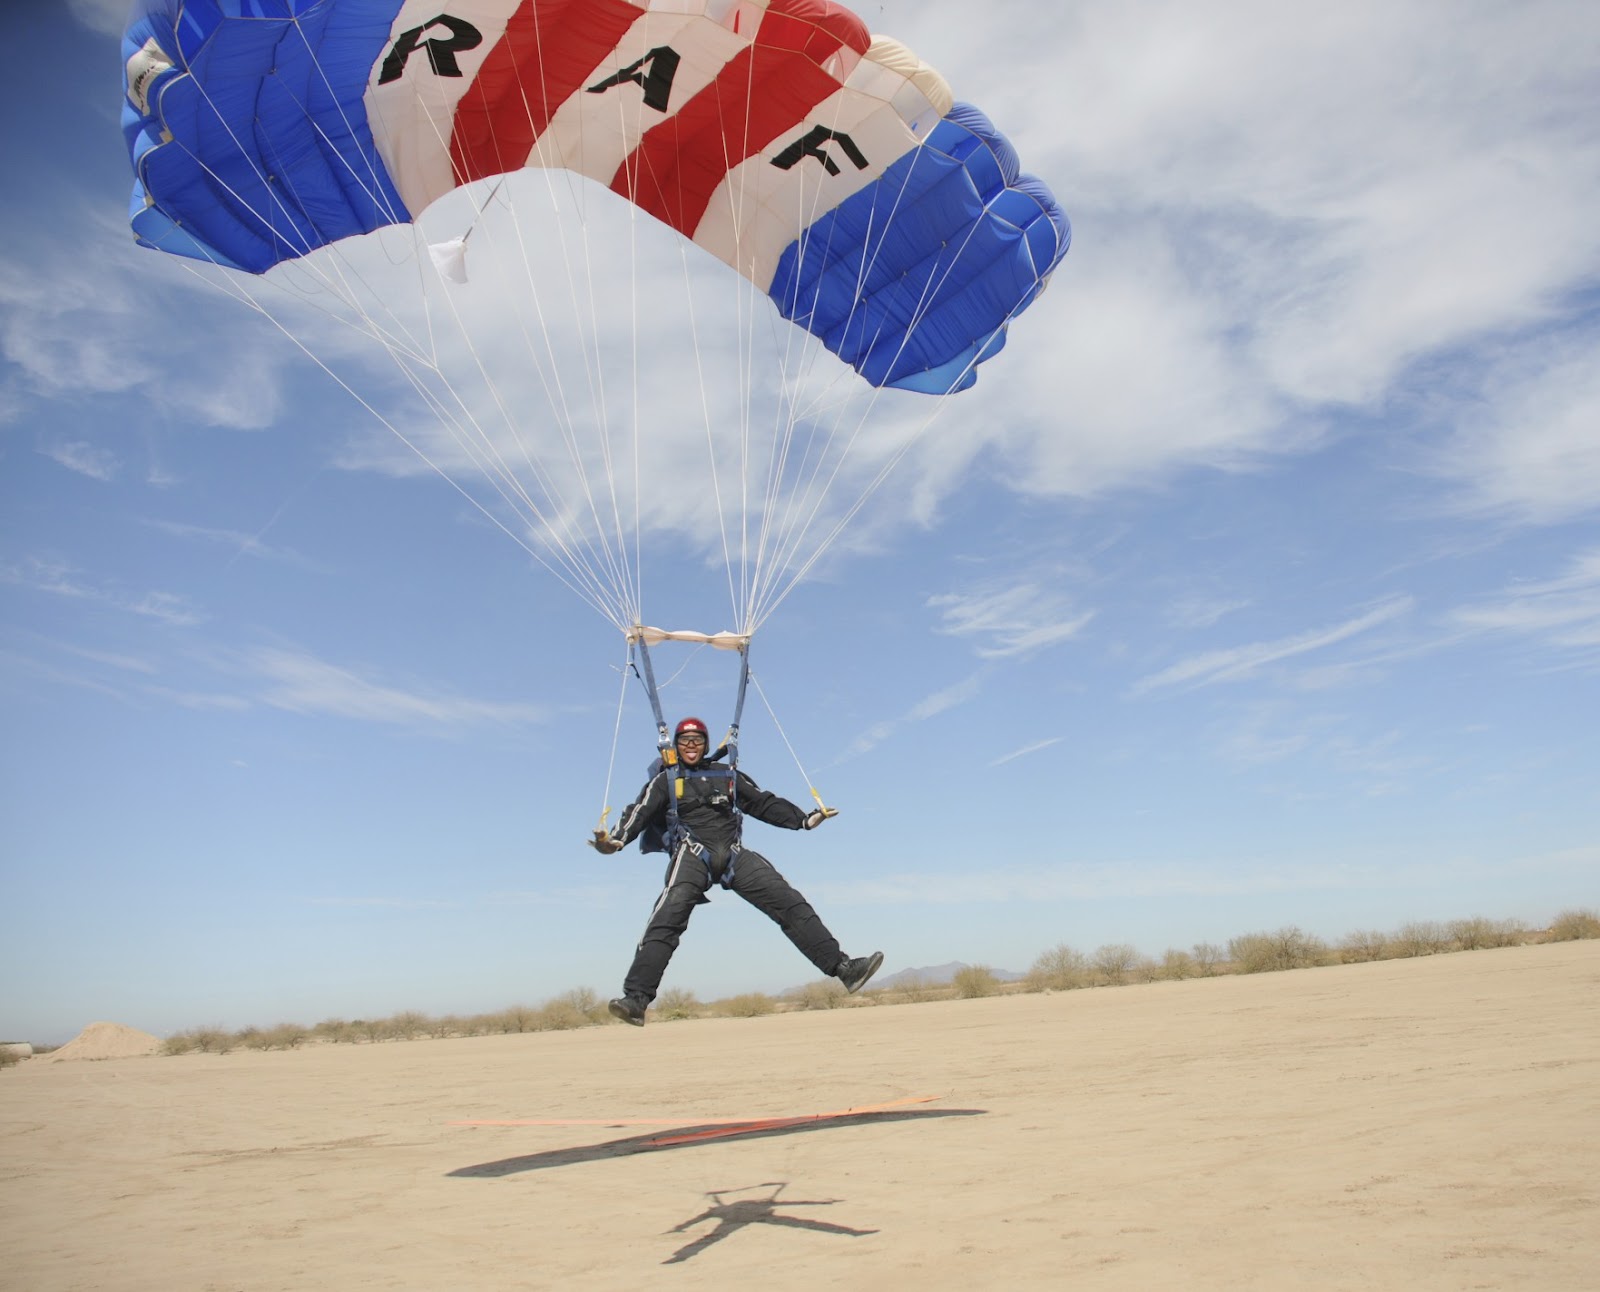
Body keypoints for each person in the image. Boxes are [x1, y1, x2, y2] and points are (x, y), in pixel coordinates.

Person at [589, 716, 883, 1026]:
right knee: (667, 918)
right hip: (692, 854)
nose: (691, 746)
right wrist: (615, 841)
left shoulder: (727, 775)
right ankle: (636, 999)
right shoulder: (666, 780)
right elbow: (639, 812)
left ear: (705, 744)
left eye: (697, 740)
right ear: (675, 746)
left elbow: (762, 802)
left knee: (789, 902)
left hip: (733, 854)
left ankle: (844, 969)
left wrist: (802, 820)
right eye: (685, 741)